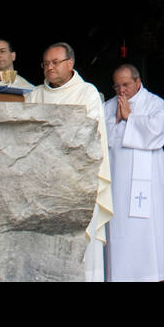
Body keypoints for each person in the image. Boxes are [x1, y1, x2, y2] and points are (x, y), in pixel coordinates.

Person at [27, 42, 113, 281]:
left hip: (79, 180)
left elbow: (88, 133)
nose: (50, 68)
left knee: (82, 247)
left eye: (55, 63)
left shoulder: (87, 93)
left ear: (70, 63)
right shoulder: (35, 95)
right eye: (46, 63)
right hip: (45, 184)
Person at [103, 64, 164, 282]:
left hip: (147, 185)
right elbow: (100, 138)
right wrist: (115, 118)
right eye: (117, 86)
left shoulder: (154, 104)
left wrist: (130, 118)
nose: (121, 91)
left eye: (126, 85)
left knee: (147, 232)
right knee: (118, 229)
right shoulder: (107, 106)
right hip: (116, 183)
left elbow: (157, 133)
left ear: (138, 82)